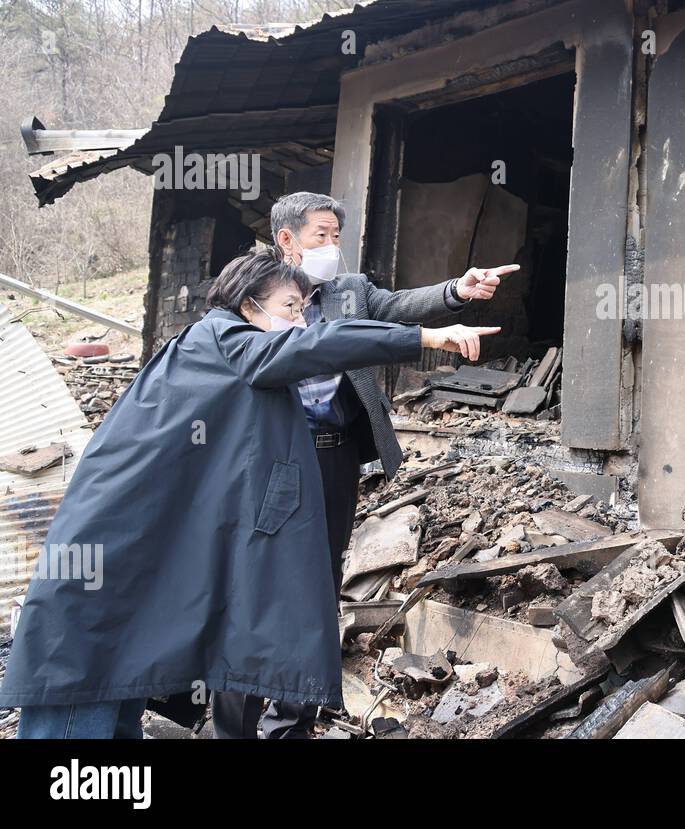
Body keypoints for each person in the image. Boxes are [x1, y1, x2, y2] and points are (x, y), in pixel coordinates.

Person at [0, 248, 498, 737]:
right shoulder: (227, 342)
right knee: (82, 689)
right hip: (105, 562)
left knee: (122, 677)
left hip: (129, 557)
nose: (300, 322)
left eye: (304, 310)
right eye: (290, 308)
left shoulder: (212, 350)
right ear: (247, 306)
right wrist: (426, 336)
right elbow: (315, 347)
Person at [211, 191, 520, 739]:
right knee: (254, 582)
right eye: (320, 236)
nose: (332, 247)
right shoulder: (255, 294)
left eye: (336, 236)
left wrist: (456, 291)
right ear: (286, 240)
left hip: (332, 458)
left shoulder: (349, 293)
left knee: (319, 584)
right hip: (270, 460)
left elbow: (400, 307)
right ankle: (232, 725)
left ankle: (291, 722)